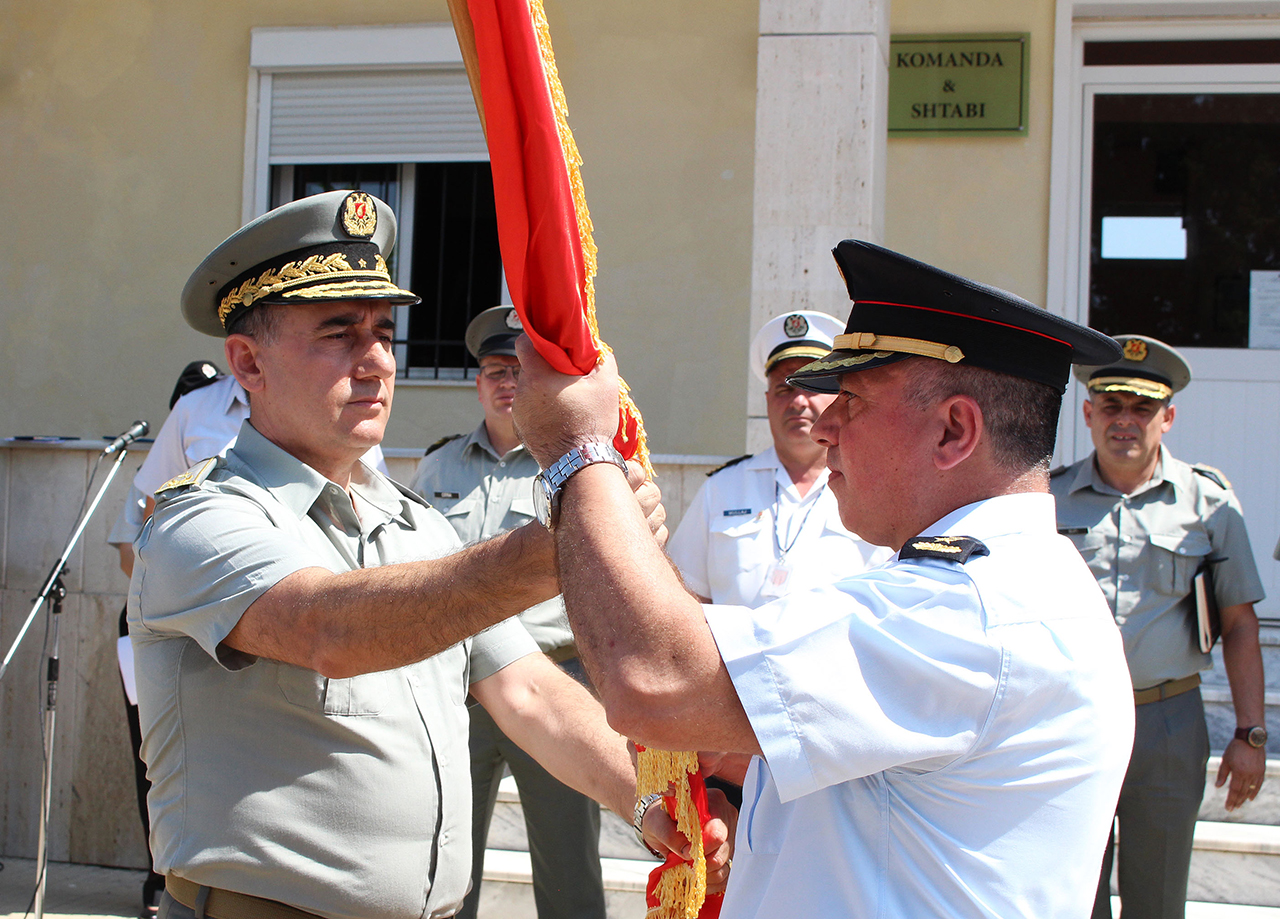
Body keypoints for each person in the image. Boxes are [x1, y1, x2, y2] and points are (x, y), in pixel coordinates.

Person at [128, 190, 731, 919]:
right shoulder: (200, 517)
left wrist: (656, 804)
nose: (377, 360)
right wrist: (575, 536)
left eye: (384, 332)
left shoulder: (417, 525)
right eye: (338, 333)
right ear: (248, 363)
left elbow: (529, 693)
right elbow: (329, 630)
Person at [512, 239, 1136, 918]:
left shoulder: (975, 605)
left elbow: (652, 678)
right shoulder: (1001, 584)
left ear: (955, 430)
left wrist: (577, 451)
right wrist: (748, 764)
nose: (825, 423)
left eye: (855, 399)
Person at [109, 361, 391, 917]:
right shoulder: (195, 411)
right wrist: (198, 597)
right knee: (172, 763)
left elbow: (358, 516)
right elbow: (140, 525)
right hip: (197, 625)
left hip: (299, 622)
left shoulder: (340, 415)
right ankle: (168, 877)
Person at [1049, 335, 1267, 919]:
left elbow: (1241, 624)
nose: (1126, 421)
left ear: (1167, 417)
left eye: (1142, 408)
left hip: (1167, 721)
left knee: (1159, 894)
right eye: (1112, 406)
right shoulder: (1045, 502)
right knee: (1069, 892)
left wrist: (1250, 734)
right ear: (1089, 413)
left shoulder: (1210, 503)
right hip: (1069, 717)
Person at [409, 305, 606, 919]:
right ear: (478, 383)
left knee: (567, 860)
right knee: (444, 861)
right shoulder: (437, 468)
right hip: (458, 689)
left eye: (517, 370)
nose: (504, 383)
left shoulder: (575, 471)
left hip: (553, 683)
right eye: (494, 370)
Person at [668, 310, 890, 607]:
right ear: (768, 400)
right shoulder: (722, 489)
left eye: (811, 388)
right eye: (784, 389)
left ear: (838, 396)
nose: (797, 401)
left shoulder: (873, 488)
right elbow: (686, 599)